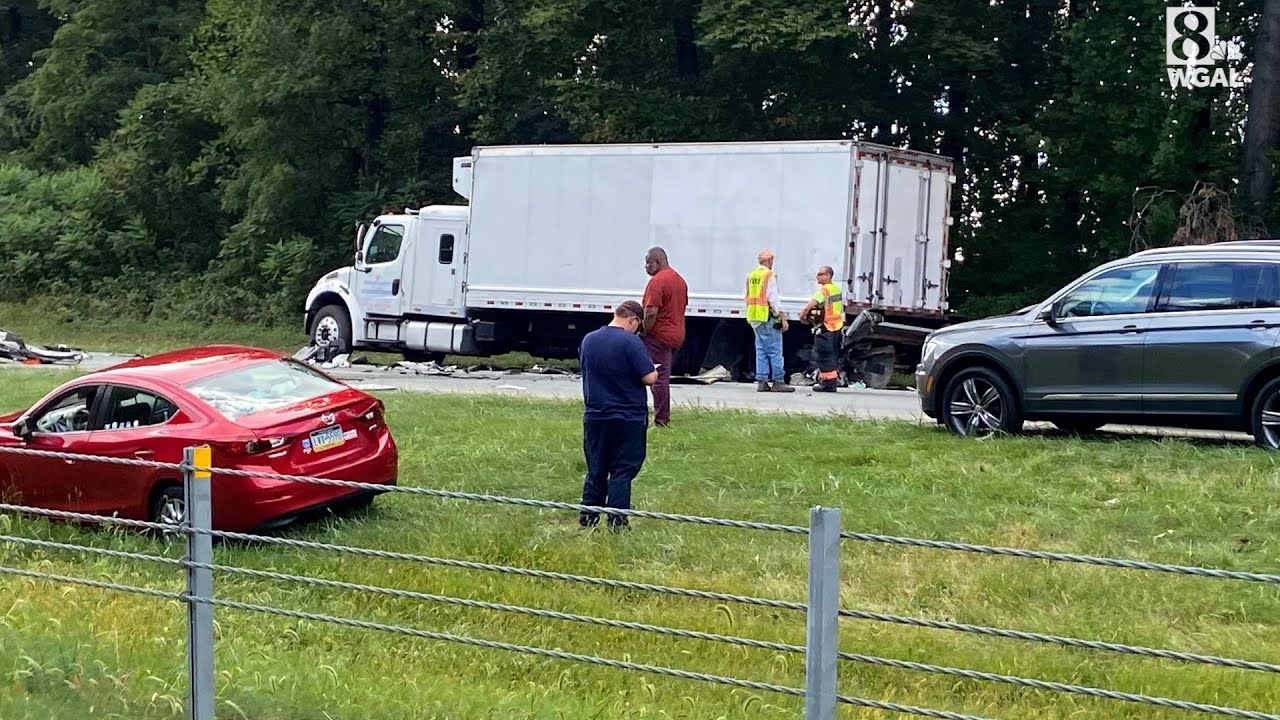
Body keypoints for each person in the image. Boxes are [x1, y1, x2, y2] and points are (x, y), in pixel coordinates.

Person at [578, 300, 658, 530]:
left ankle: (588, 518)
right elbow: (648, 377)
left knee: (597, 469)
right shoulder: (630, 341)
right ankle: (617, 521)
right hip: (628, 416)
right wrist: (655, 370)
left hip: (595, 414)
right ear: (633, 320)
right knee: (622, 470)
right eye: (638, 326)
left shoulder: (589, 340)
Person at [640, 247, 688, 427]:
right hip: (676, 335)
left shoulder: (657, 282)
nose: (645, 267)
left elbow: (651, 311)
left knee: (657, 378)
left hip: (659, 336)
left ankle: (661, 419)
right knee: (662, 375)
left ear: (658, 262)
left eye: (648, 263)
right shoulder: (679, 280)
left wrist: (645, 329)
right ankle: (661, 416)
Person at [744, 249, 794, 393]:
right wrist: (783, 318)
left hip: (754, 317)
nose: (772, 263)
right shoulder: (768, 275)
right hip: (767, 317)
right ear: (767, 261)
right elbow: (773, 299)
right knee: (775, 351)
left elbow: (747, 296)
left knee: (761, 351)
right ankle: (778, 381)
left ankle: (762, 381)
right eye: (771, 260)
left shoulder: (751, 275)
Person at [799, 265, 845, 392]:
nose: (817, 276)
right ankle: (831, 381)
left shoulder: (824, 291)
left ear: (828, 275)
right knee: (832, 354)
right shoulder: (836, 289)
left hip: (826, 327)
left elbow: (809, 306)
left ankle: (827, 383)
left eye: (820, 274)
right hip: (836, 326)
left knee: (823, 355)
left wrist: (803, 316)